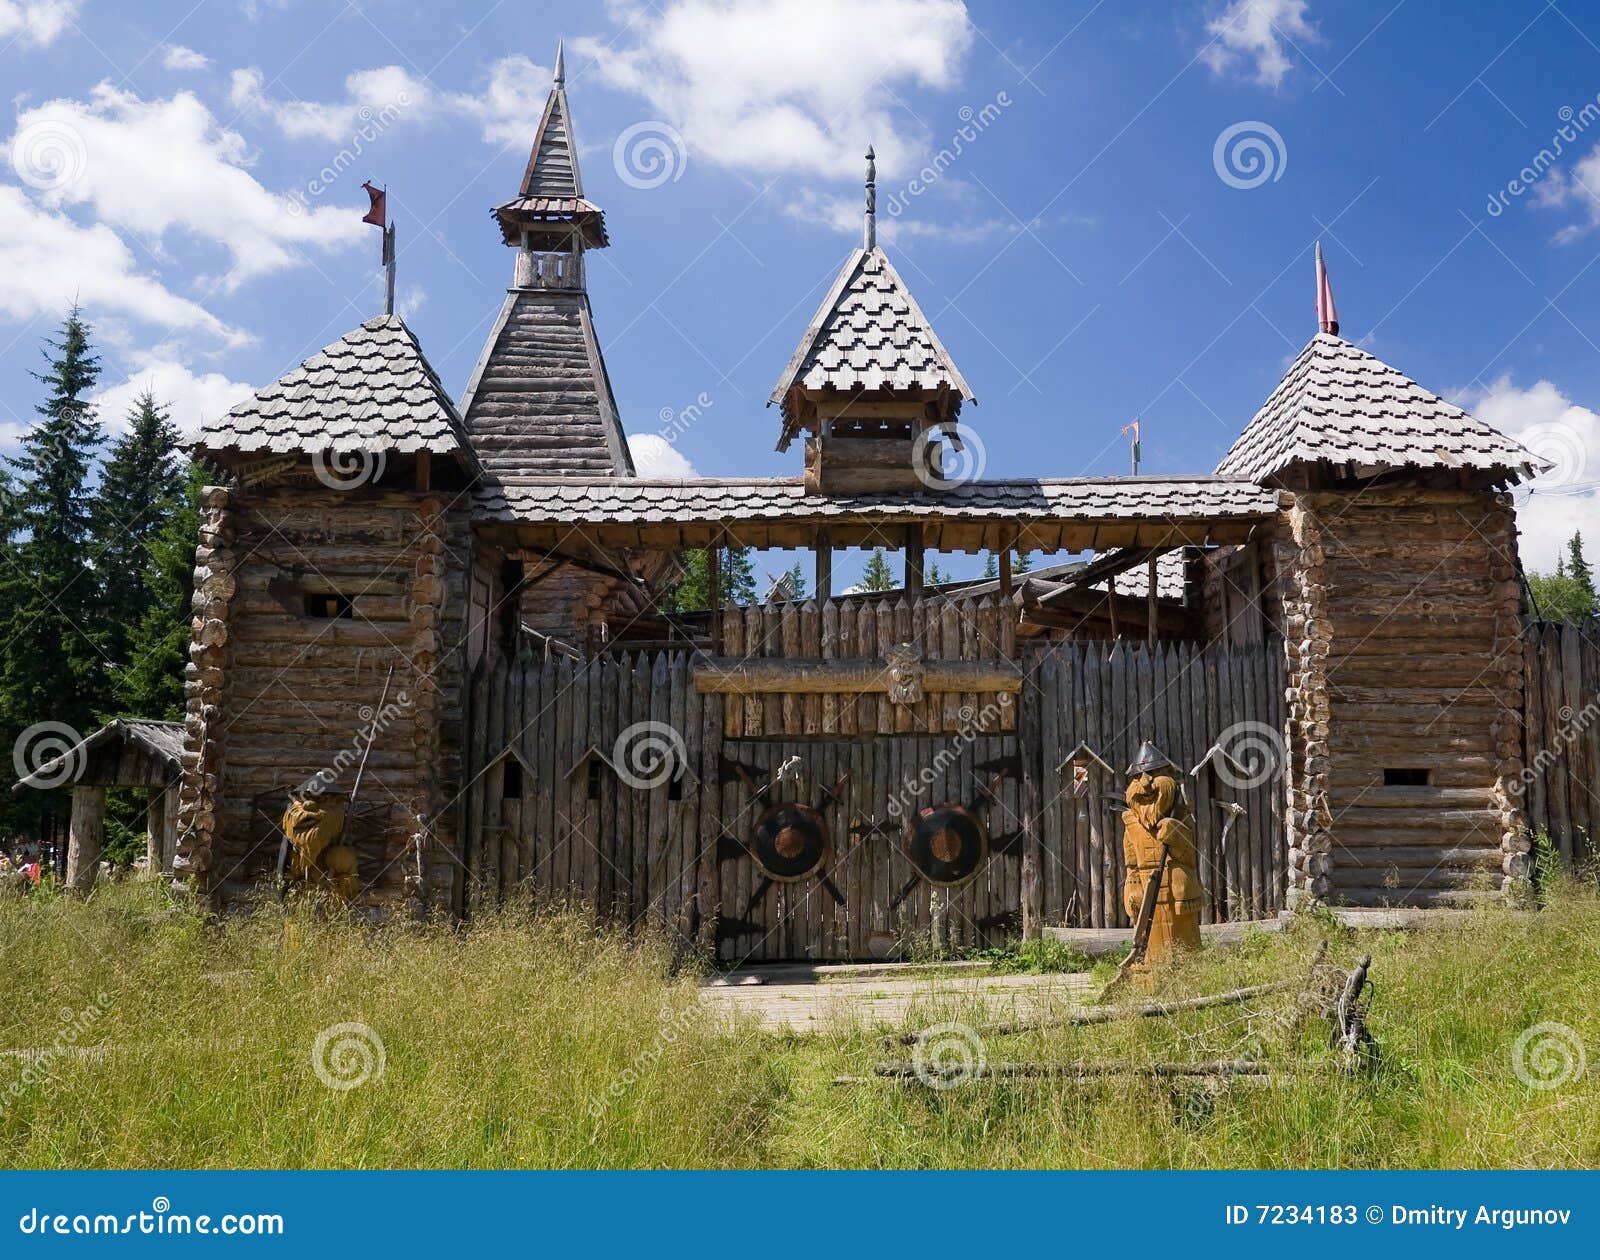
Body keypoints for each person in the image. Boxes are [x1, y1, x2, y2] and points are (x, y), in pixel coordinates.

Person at [1121, 741, 1203, 964]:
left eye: (1154, 774)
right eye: (1137, 777)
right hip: (1148, 895)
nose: (1145, 783)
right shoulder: (1130, 824)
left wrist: (1176, 833)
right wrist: (1133, 886)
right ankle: (1151, 969)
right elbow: (1131, 864)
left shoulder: (1182, 817)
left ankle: (1188, 970)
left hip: (1177, 897)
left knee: (1182, 937)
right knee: (1150, 941)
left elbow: (1189, 857)